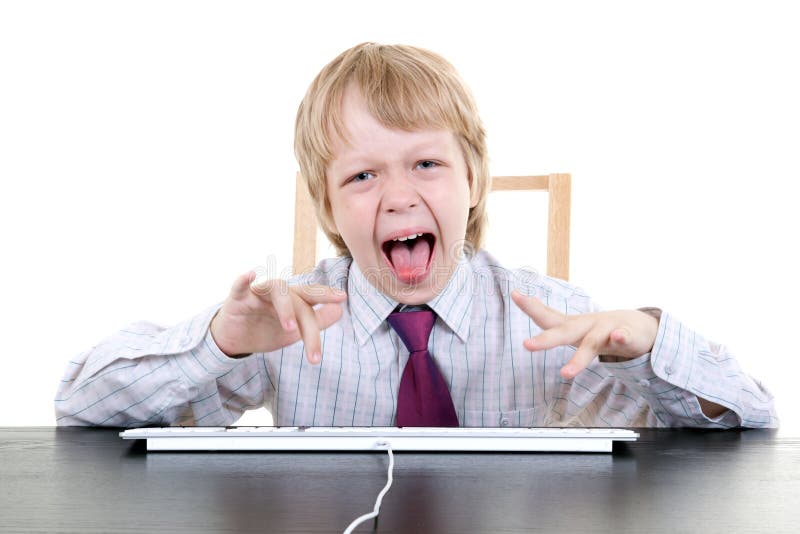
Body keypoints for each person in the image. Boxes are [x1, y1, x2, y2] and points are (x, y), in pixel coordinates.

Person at [55, 42, 777, 428]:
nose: (399, 195)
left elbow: (745, 416)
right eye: (362, 177)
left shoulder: (553, 319)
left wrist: (648, 343)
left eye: (426, 163)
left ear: (474, 182)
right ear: (330, 208)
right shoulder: (288, 327)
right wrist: (221, 341)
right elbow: (79, 405)